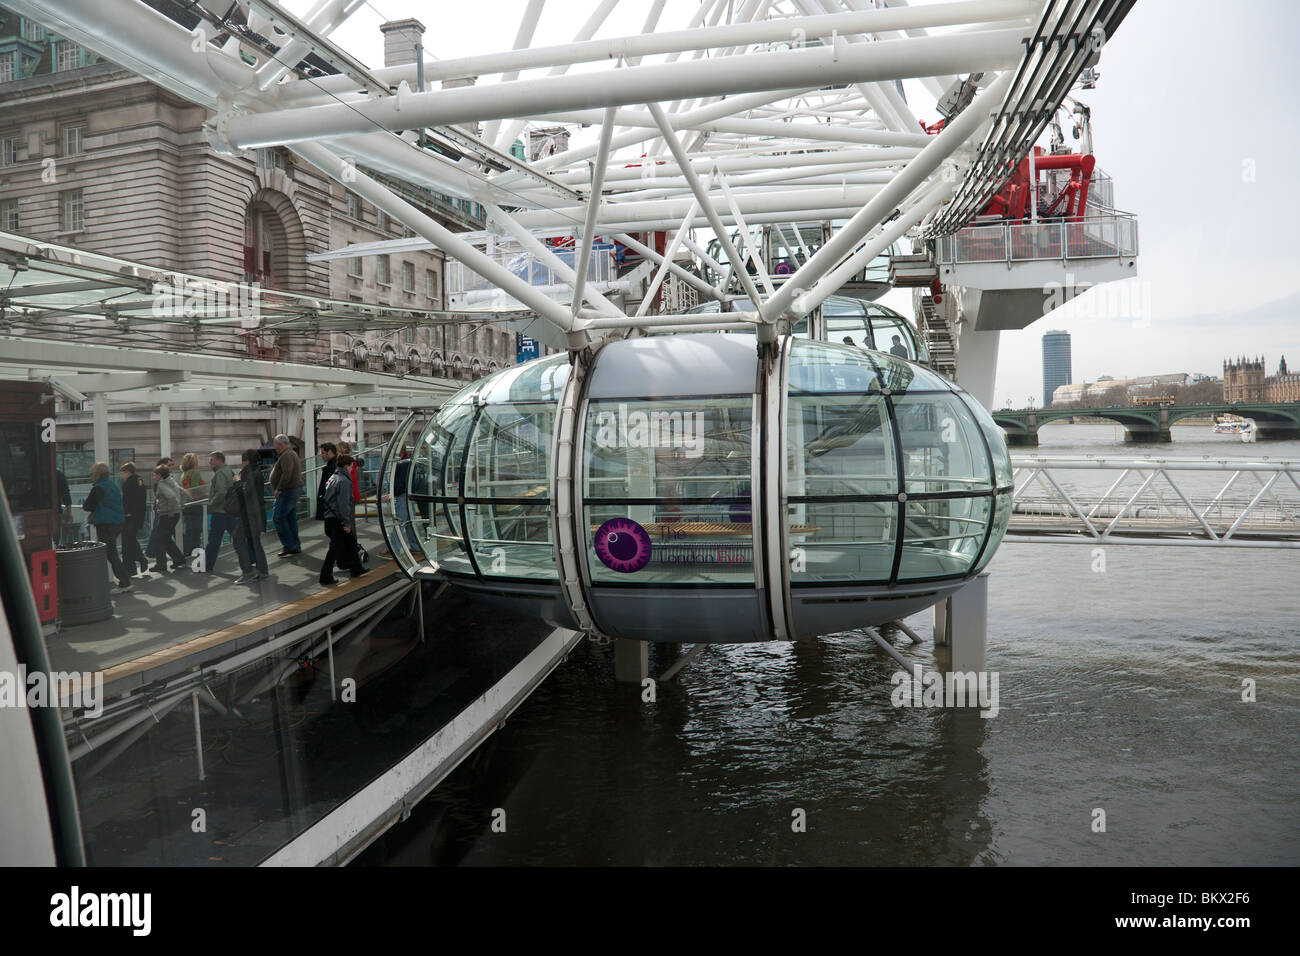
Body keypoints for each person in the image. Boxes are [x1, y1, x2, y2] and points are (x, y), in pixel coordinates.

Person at [82, 462, 132, 592]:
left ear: (96, 474)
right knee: (112, 552)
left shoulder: (98, 487)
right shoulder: (112, 485)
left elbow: (87, 506)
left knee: (110, 554)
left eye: (92, 473)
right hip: (118, 521)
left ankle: (125, 582)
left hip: (105, 523)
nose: (91, 476)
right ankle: (124, 581)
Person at [319, 453, 365, 585]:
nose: (352, 469)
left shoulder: (333, 477)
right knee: (335, 548)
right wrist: (346, 522)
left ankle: (356, 568)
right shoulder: (344, 481)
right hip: (337, 519)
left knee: (349, 543)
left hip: (330, 517)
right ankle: (325, 576)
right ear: (346, 466)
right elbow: (343, 504)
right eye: (351, 466)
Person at [232, 448, 270, 583]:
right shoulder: (257, 471)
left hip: (249, 514)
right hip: (256, 513)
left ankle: (248, 571)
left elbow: (245, 492)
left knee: (237, 539)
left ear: (246, 461)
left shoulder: (249, 473)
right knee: (255, 542)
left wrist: (237, 481)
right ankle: (262, 570)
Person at [268, 434, 304, 557]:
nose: (274, 447)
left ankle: (289, 546)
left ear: (280, 444)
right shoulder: (290, 453)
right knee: (290, 518)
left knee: (278, 517)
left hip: (288, 490)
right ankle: (295, 545)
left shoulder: (287, 455)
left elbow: (286, 474)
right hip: (292, 489)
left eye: (275, 444)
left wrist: (279, 488)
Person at [203, 451, 237, 573]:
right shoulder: (228, 471)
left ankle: (207, 565)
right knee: (237, 536)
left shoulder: (220, 473)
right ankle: (251, 557)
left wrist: (211, 503)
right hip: (229, 510)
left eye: (212, 460)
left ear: (219, 460)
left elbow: (222, 492)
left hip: (220, 511)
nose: (210, 462)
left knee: (214, 539)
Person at [150, 464, 187, 572]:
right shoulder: (172, 481)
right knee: (166, 539)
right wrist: (181, 506)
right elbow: (184, 493)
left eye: (155, 475)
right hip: (174, 514)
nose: (154, 477)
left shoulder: (161, 484)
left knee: (159, 539)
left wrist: (171, 510)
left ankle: (161, 564)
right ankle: (179, 560)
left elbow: (170, 497)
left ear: (160, 475)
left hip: (167, 514)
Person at [118, 462, 149, 577]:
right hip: (139, 516)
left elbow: (127, 501)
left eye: (123, 472)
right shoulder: (139, 480)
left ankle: (136, 563)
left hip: (130, 516)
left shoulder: (128, 484)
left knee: (127, 541)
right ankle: (135, 563)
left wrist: (125, 513)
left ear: (127, 472)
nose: (122, 475)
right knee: (130, 540)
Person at [178, 452, 206, 556]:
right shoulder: (195, 472)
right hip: (195, 504)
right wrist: (205, 496)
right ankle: (196, 552)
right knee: (196, 530)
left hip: (186, 506)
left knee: (189, 529)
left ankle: (187, 551)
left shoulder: (183, 474)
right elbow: (194, 489)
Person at [314, 442, 337, 521]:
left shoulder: (333, 467)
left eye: (323, 453)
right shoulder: (331, 465)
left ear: (329, 452)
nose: (321, 455)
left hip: (331, 507)